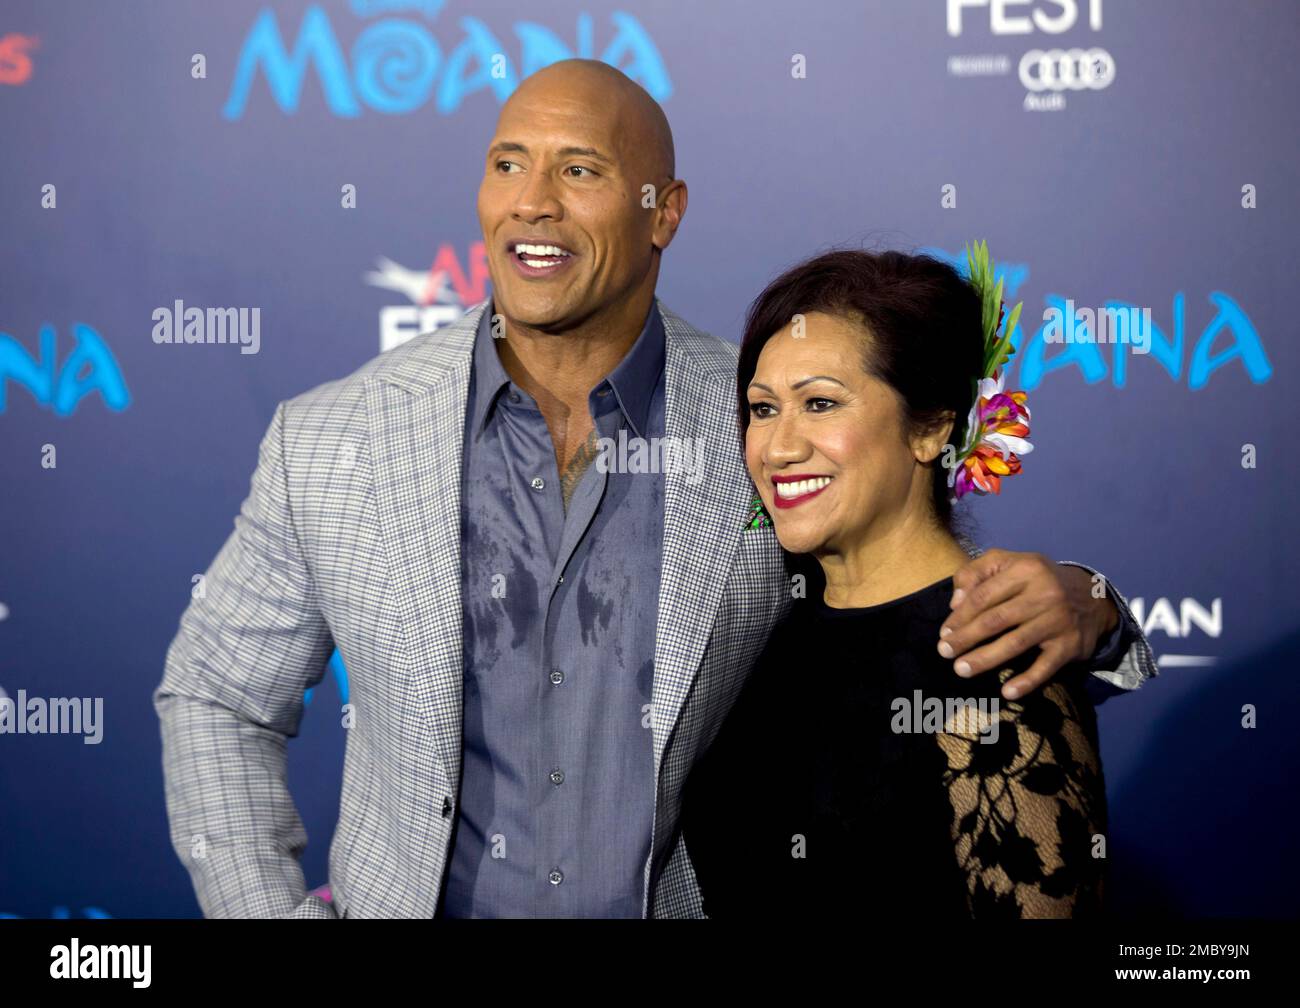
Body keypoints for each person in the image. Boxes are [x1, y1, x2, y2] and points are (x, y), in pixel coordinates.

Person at [153, 59, 1153, 919]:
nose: (530, 201)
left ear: (661, 211)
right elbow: (213, 693)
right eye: (508, 164)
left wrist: (1091, 606)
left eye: (578, 170)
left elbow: (899, 602)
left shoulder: (758, 424)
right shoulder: (331, 438)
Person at [681, 248, 1108, 917]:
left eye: (820, 403)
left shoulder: (996, 646)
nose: (779, 447)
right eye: (762, 410)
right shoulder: (772, 620)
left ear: (932, 426)